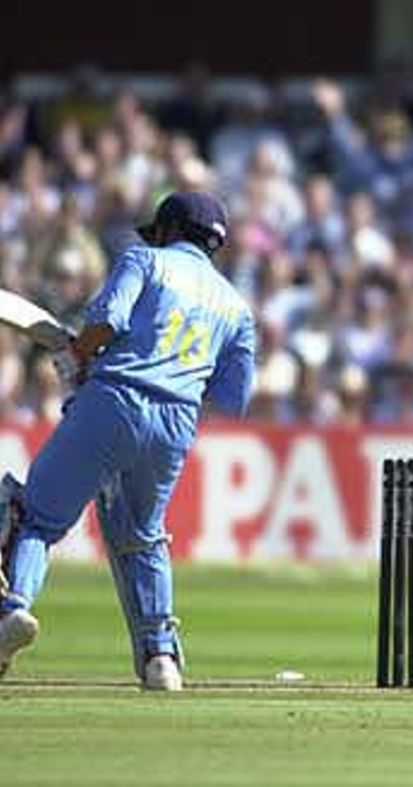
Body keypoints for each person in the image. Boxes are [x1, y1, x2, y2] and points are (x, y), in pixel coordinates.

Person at [0, 192, 256, 691]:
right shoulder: (237, 306)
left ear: (168, 230)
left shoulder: (144, 259)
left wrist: (80, 355)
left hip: (114, 399)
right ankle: (161, 657)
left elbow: (107, 321)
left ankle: (12, 612)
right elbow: (233, 399)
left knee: (36, 516)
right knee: (141, 535)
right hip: (177, 420)